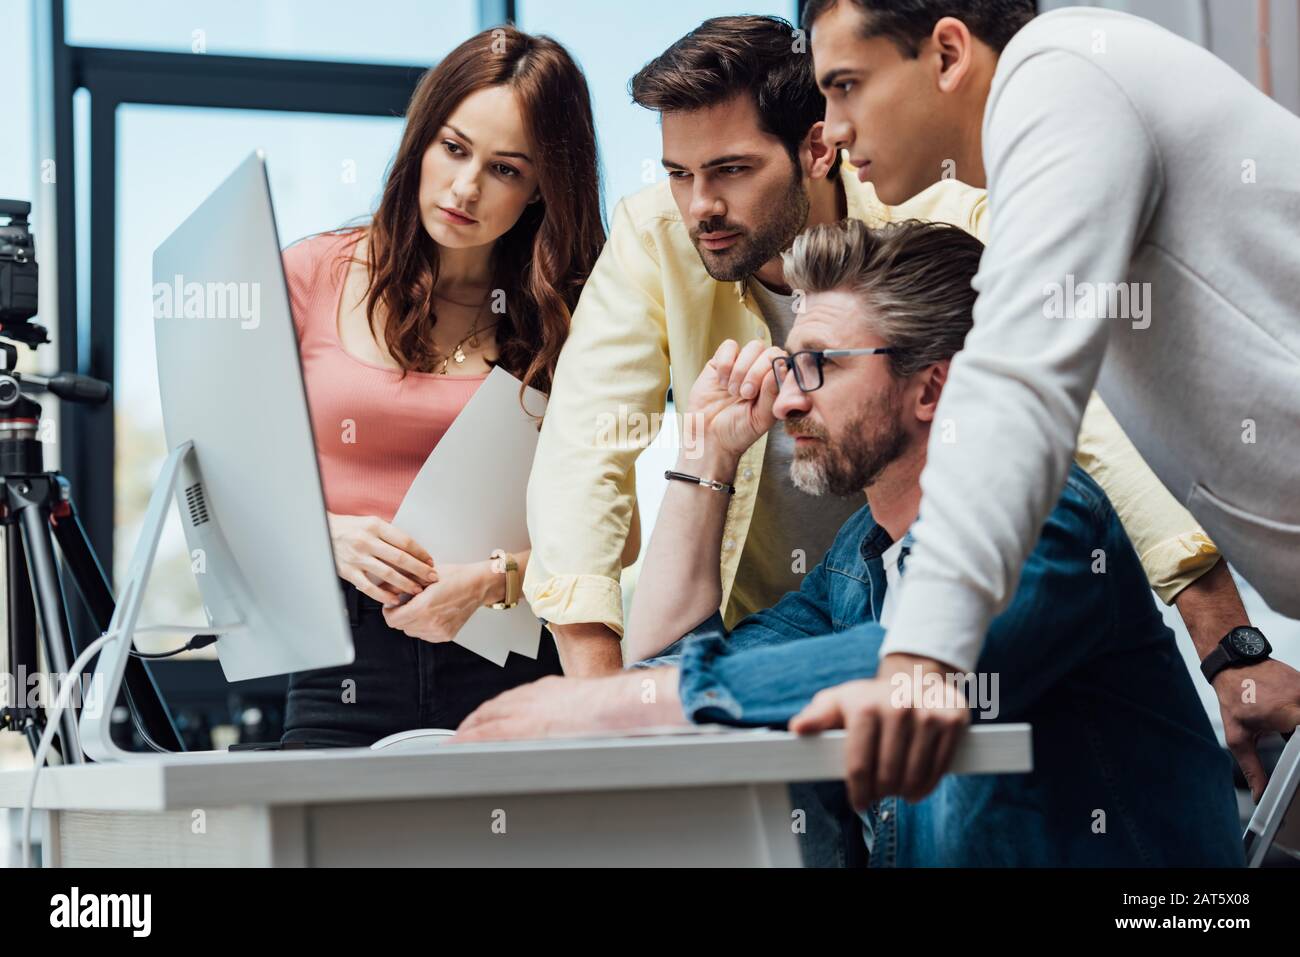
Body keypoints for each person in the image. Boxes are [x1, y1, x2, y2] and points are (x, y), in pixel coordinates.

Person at [524, 15, 1251, 732]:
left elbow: (1081, 411)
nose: (699, 206)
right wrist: (601, 704)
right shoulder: (657, 238)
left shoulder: (944, 224)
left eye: (732, 170)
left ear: (815, 150)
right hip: (822, 595)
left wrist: (1231, 648)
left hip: (935, 578)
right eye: (679, 174)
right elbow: (582, 456)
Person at [458, 218, 1244, 867]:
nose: (789, 398)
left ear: (931, 387)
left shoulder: (1046, 517)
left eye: (820, 365)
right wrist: (707, 455)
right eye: (790, 363)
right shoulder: (860, 556)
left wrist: (600, 707)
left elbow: (919, 655)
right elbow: (672, 664)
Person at [798, 0, 1300, 800]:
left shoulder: (1059, 76)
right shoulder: (1054, 143)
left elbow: (1016, 387)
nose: (834, 129)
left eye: (848, 85)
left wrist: (920, 660)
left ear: (949, 53)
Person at [278, 26, 609, 746]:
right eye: (454, 149)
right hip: (340, 658)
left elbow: (613, 525)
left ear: (542, 190)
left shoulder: (570, 313)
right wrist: (321, 531)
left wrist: (493, 579)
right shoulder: (308, 275)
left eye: (506, 170)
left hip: (507, 657)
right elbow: (219, 487)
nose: (465, 188)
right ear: (420, 139)